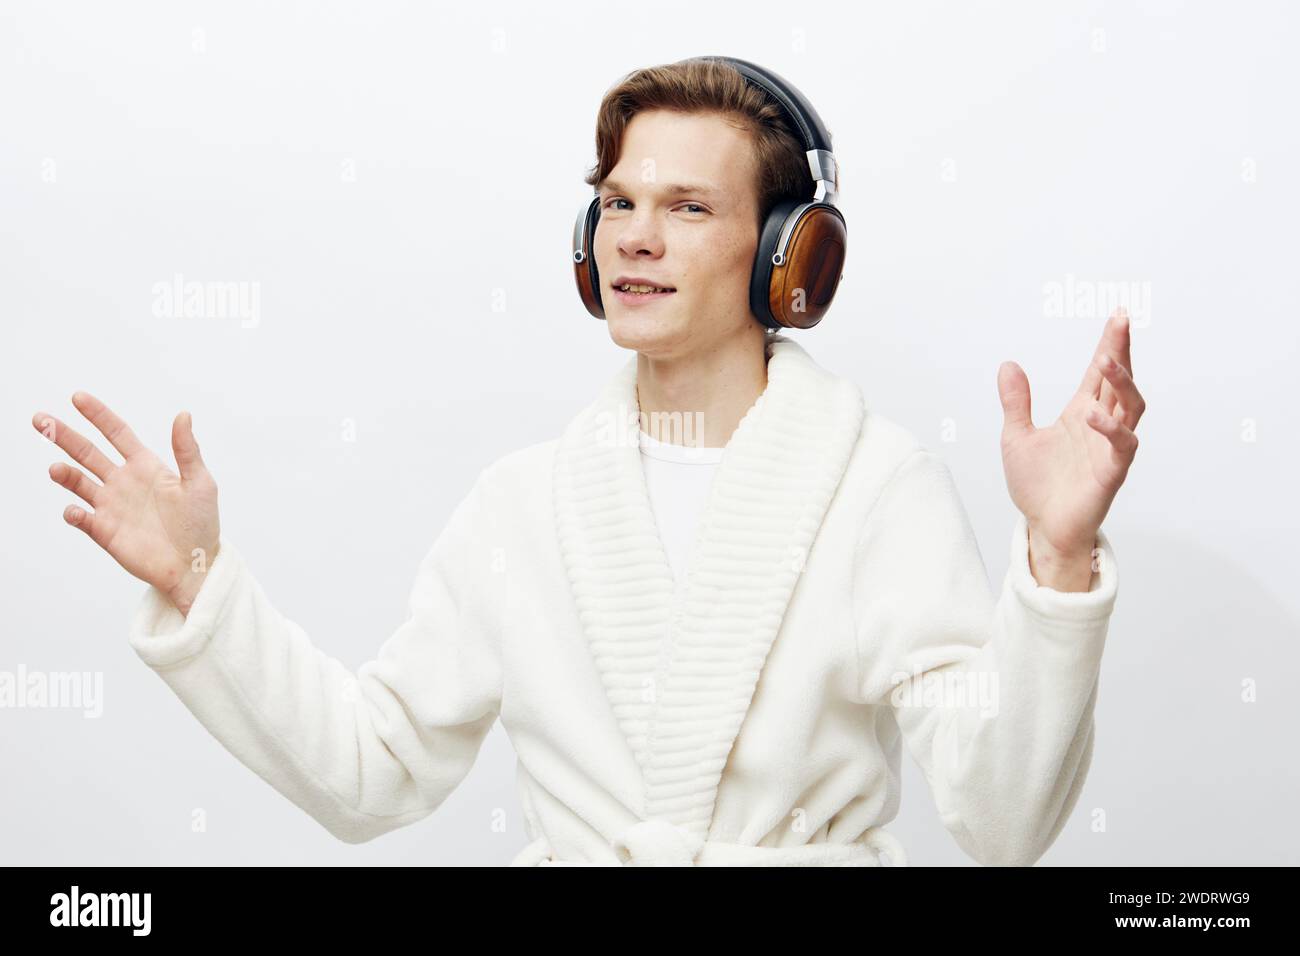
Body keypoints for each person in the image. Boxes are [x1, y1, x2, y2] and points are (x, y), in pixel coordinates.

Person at [31, 56, 1143, 866]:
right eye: (615, 203)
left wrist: (1056, 555)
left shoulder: (874, 487)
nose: (632, 238)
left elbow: (1000, 823)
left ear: (785, 255)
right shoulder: (523, 505)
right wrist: (200, 588)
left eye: (687, 207)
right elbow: (370, 772)